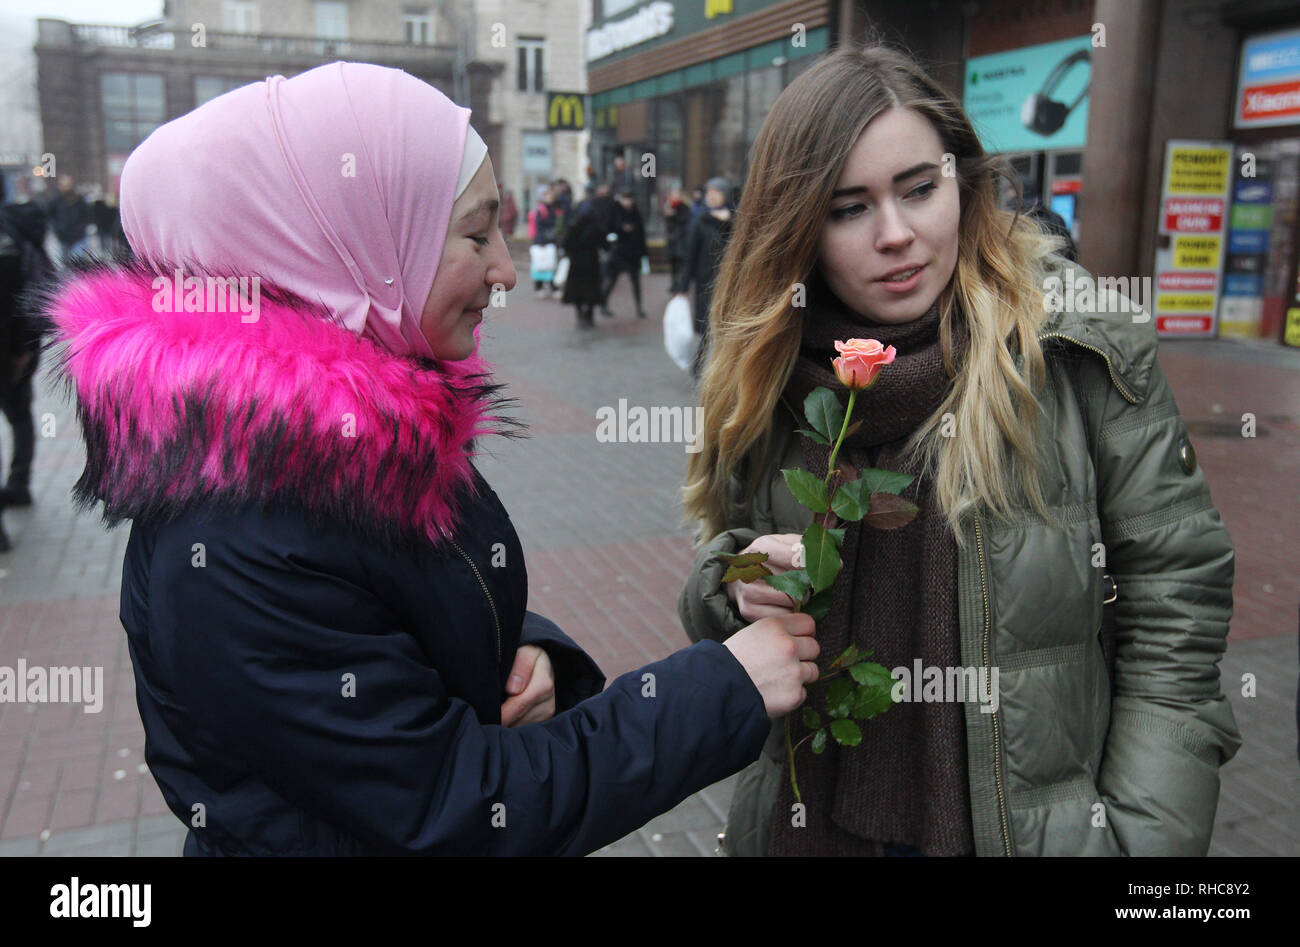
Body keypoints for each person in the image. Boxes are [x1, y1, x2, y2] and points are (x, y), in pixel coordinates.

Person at [42, 62, 821, 856]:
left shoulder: (355, 429)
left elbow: (416, 607)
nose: (508, 270)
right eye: (477, 232)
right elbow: (456, 804)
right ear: (349, 241)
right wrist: (720, 690)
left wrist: (531, 660)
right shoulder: (238, 536)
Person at [679, 44, 1241, 857]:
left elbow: (1177, 600)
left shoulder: (1077, 347)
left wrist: (1138, 842)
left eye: (919, 189)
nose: (897, 234)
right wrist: (734, 589)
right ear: (796, 225)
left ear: (962, 181)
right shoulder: (768, 367)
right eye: (848, 209)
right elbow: (717, 577)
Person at [0, 200, 55, 522]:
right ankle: (19, 482)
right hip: (20, 350)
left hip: (15, 350)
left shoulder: (8, 243)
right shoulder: (16, 236)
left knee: (20, 417)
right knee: (21, 417)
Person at [671, 176, 734, 379]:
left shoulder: (736, 220)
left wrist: (728, 222)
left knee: (727, 325)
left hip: (730, 283)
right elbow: (690, 256)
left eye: (716, 193)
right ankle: (698, 366)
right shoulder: (701, 221)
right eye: (709, 193)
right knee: (707, 326)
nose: (711, 197)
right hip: (705, 281)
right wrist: (682, 285)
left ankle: (725, 368)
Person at [599, 188, 647, 319]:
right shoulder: (614, 210)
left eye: (630, 198)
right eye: (625, 198)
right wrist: (621, 229)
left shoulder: (636, 212)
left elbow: (641, 233)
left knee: (636, 281)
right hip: (618, 252)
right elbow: (608, 228)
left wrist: (643, 252)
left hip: (633, 253)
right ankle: (603, 303)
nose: (628, 202)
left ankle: (639, 308)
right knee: (611, 279)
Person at [560, 200, 607, 330]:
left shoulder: (574, 225)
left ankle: (579, 313)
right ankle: (589, 314)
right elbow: (605, 245)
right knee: (591, 288)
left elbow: (566, 244)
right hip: (592, 262)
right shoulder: (597, 227)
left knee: (577, 289)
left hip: (577, 262)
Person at [47, 174, 91, 265]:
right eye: (63, 185)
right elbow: (51, 217)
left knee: (78, 262)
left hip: (79, 236)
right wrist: (58, 229)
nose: (66, 187)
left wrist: (81, 228)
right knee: (66, 263)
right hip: (63, 237)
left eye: (68, 184)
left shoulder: (79, 200)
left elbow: (87, 216)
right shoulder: (55, 201)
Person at [527, 184, 561, 298]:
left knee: (548, 265)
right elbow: (539, 227)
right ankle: (544, 287)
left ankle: (544, 287)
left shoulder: (552, 208)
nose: (550, 197)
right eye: (547, 195)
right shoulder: (541, 210)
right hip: (543, 241)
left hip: (549, 240)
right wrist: (541, 241)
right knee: (543, 265)